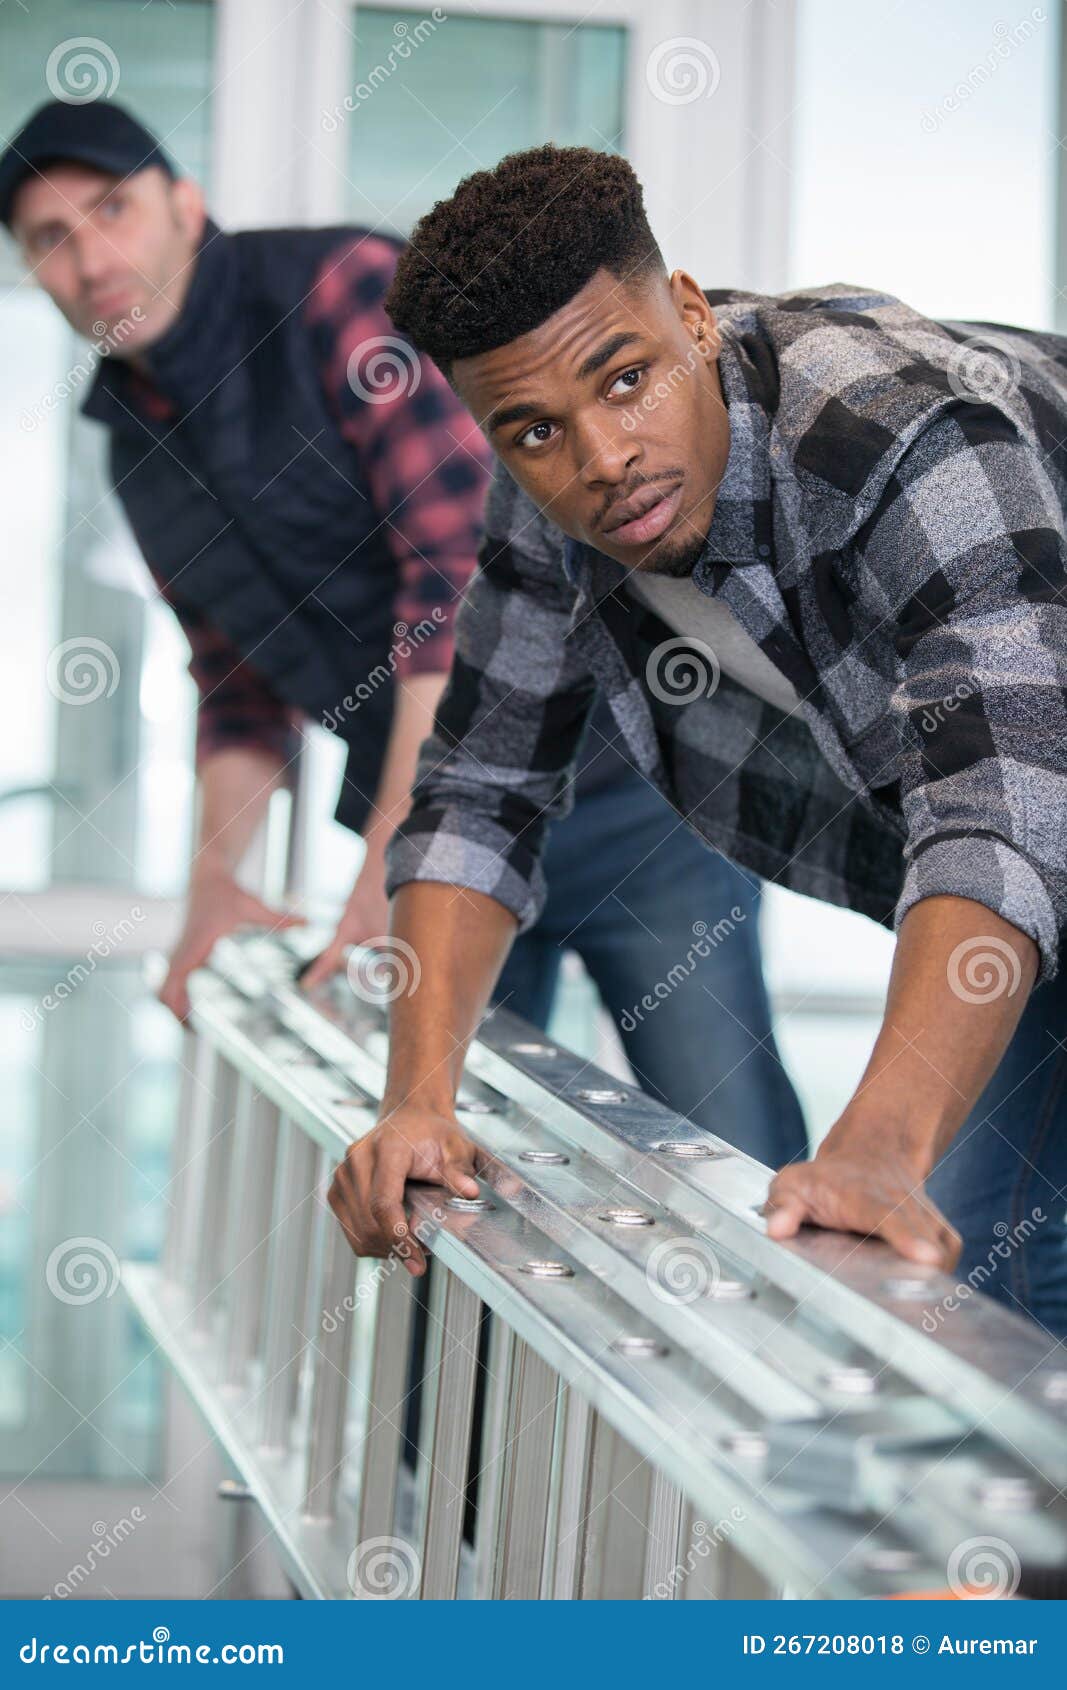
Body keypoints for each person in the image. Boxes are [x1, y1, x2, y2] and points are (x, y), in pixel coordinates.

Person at [326, 144, 1067, 1339]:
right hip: (1033, 882)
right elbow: (476, 793)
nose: (600, 460)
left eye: (625, 381)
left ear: (688, 314)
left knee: (970, 1273)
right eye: (530, 430)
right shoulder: (552, 489)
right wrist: (414, 1101)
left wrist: (874, 1147)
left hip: (1040, 807)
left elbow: (1009, 790)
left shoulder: (899, 432)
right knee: (967, 1286)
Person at [0, 104, 804, 1163]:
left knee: (729, 1147)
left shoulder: (341, 297)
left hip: (622, 800)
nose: (93, 257)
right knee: (441, 1174)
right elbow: (235, 682)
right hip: (438, 844)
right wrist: (211, 888)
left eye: (113, 210)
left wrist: (386, 867)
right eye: (50, 239)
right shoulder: (131, 447)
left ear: (185, 207)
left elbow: (453, 599)